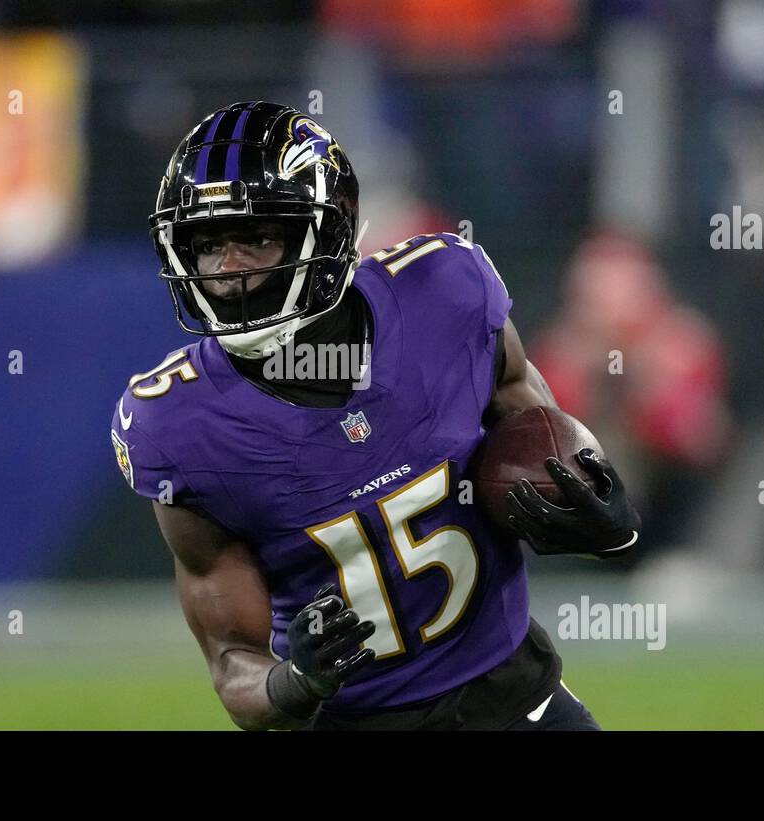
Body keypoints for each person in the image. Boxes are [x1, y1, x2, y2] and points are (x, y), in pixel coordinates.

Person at [110, 101, 640, 730]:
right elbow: (233, 666)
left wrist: (606, 518)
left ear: (331, 231)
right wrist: (294, 680)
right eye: (209, 244)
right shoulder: (181, 427)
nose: (230, 270)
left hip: (512, 693)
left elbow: (541, 439)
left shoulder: (446, 293)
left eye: (258, 238)